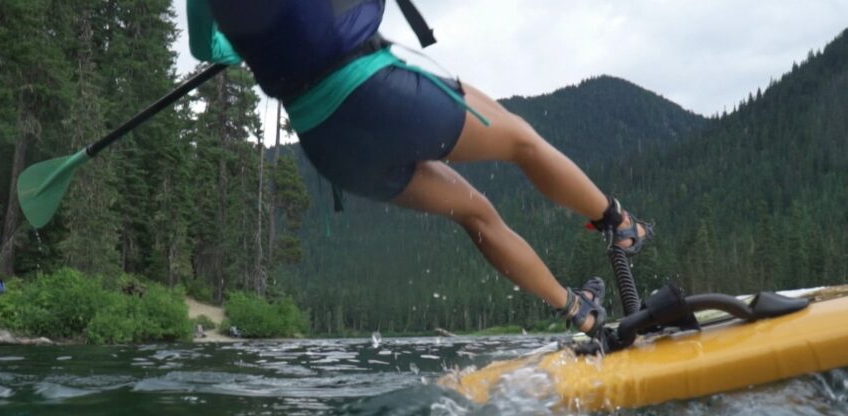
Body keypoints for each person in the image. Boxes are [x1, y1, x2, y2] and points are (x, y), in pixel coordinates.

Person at [187, 0, 652, 346]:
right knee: (522, 142)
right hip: (373, 91)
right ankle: (618, 223)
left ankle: (577, 310)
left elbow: (210, 47)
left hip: (325, 140)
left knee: (476, 214)